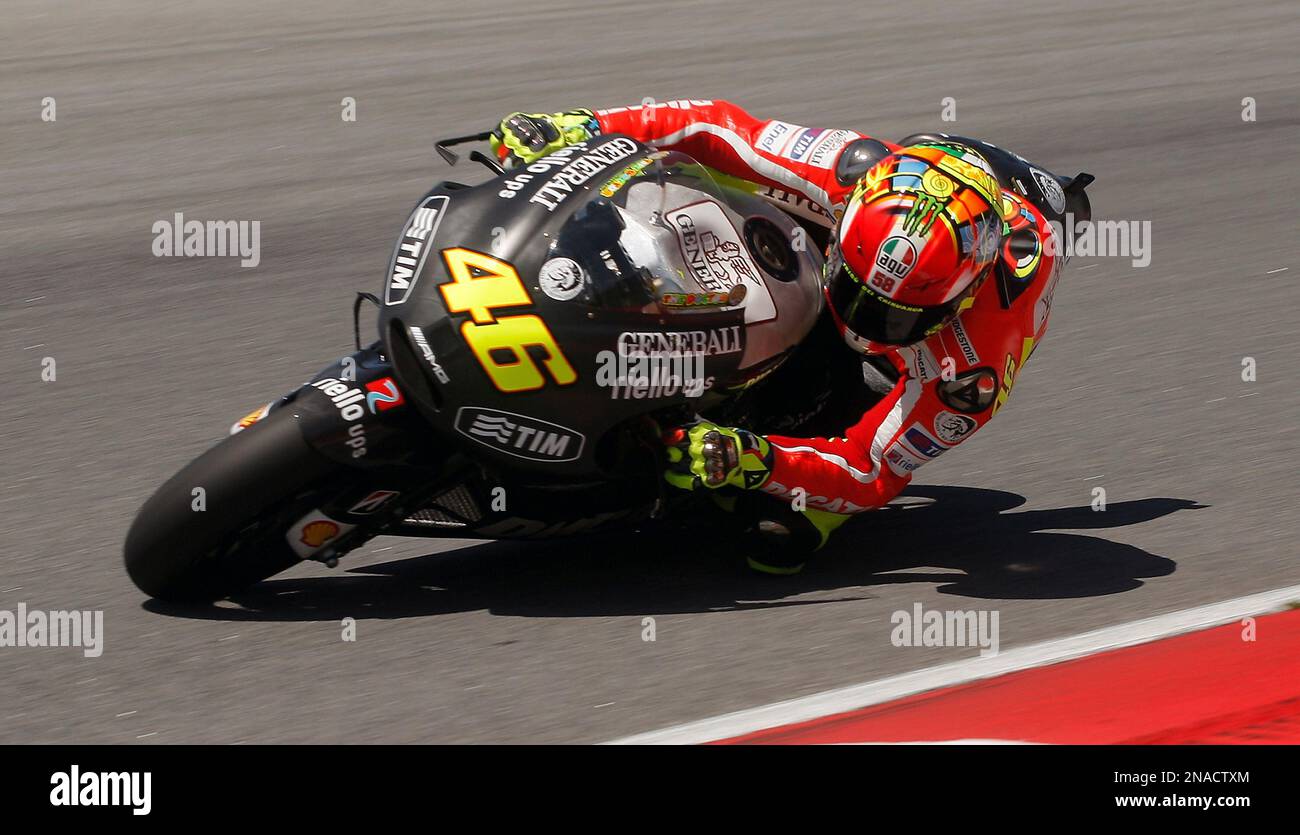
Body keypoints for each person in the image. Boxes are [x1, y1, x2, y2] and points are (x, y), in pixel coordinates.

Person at [491, 100, 1088, 574]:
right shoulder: (850, 170)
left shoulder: (973, 370)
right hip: (930, 179)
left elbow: (871, 470)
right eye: (853, 292)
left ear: (959, 297)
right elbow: (712, 128)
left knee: (777, 537)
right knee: (712, 180)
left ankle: (792, 437)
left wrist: (755, 459)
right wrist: (587, 126)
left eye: (894, 319)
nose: (861, 323)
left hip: (1006, 227)